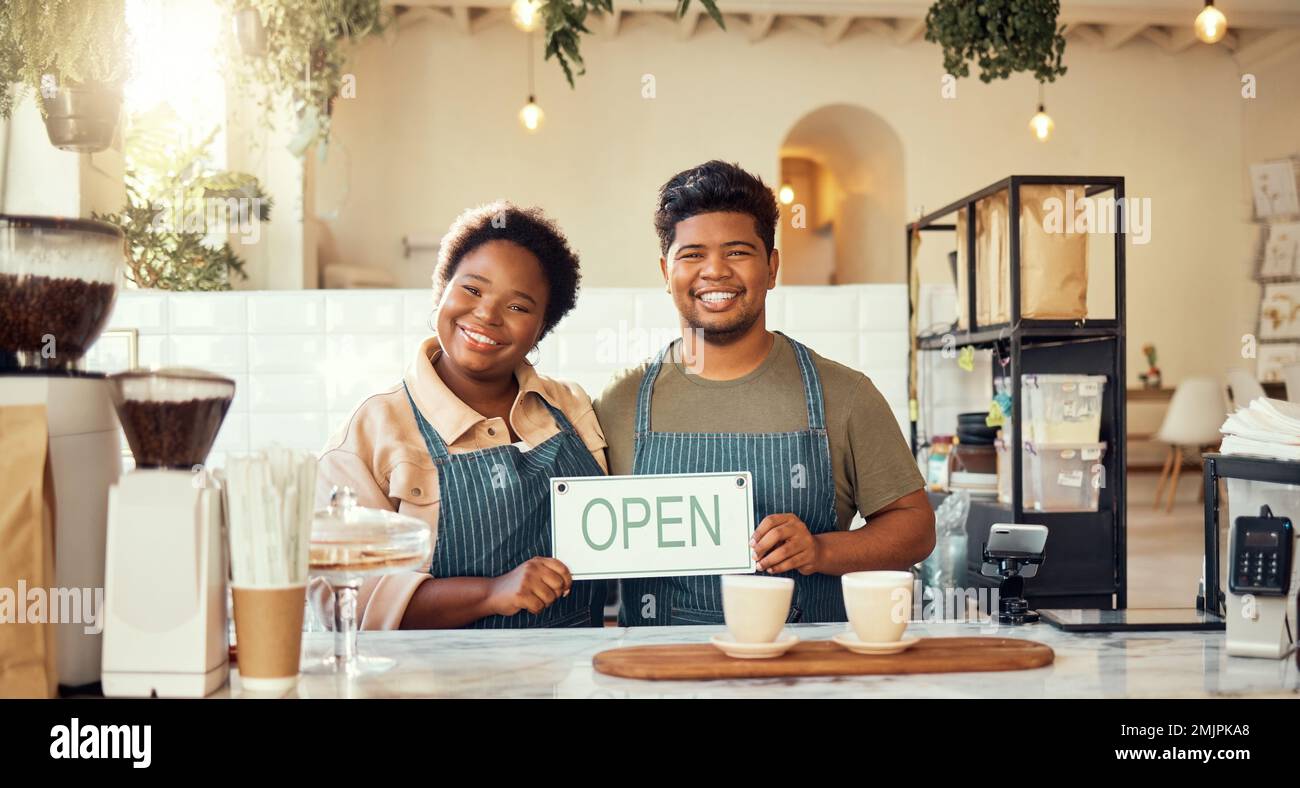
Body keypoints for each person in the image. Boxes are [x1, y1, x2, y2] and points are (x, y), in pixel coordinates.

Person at [594, 160, 936, 626]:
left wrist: (820, 549)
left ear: (772, 267)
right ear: (665, 271)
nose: (714, 271)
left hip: (806, 675)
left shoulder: (846, 394)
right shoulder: (619, 403)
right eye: (692, 254)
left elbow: (916, 528)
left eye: (737, 252)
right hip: (659, 676)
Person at [315, 201, 608, 629]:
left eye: (519, 307)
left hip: (573, 682)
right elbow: (343, 596)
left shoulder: (572, 407)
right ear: (441, 291)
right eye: (472, 290)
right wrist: (490, 595)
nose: (487, 314)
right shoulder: (373, 430)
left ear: (542, 328)